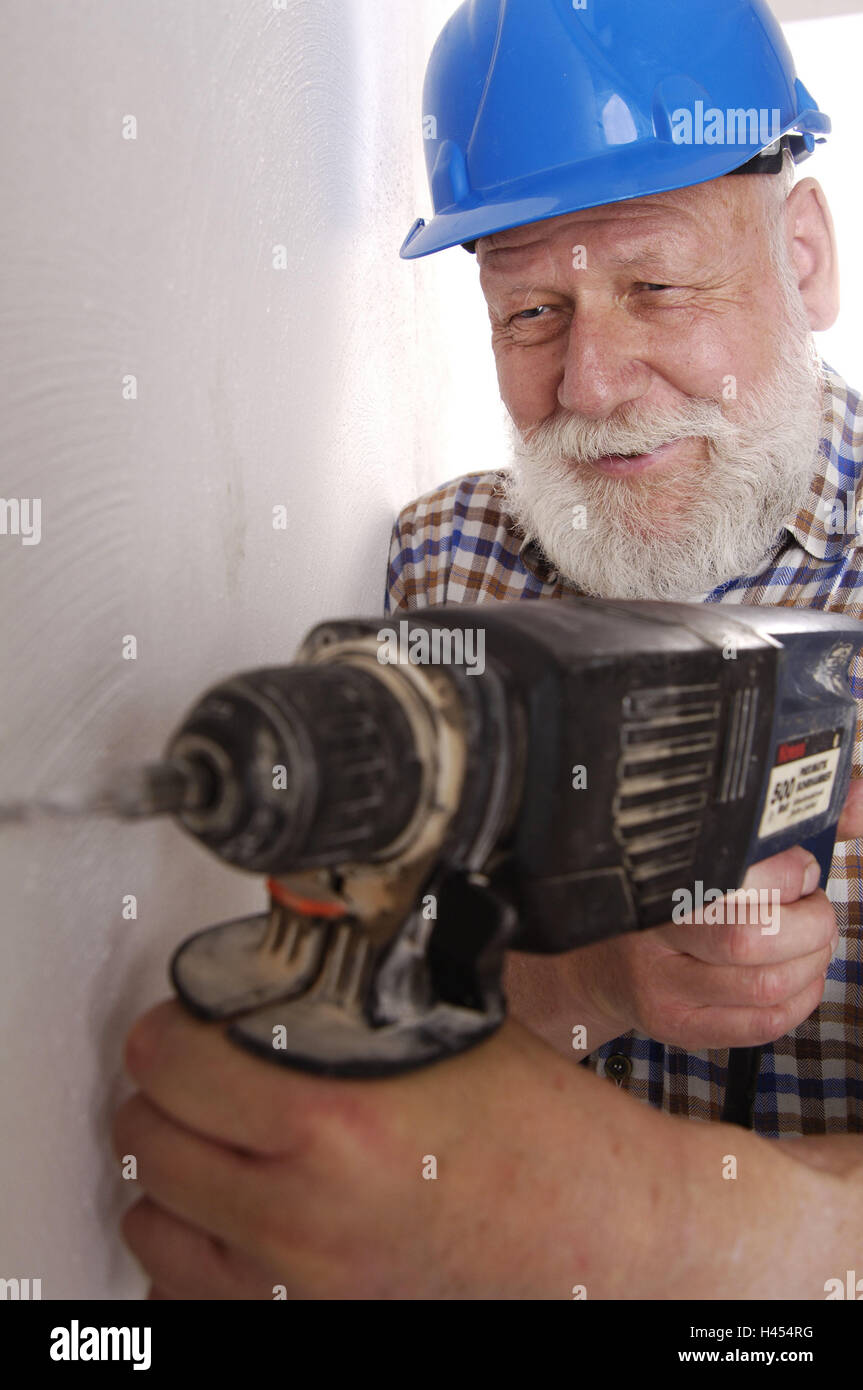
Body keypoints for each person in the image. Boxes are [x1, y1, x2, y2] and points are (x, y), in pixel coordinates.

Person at [114, 0, 863, 1298]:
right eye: (530, 311)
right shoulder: (448, 565)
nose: (592, 383)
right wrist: (593, 976)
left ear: (803, 259)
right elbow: (379, 973)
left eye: (658, 284)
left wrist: (669, 1228)